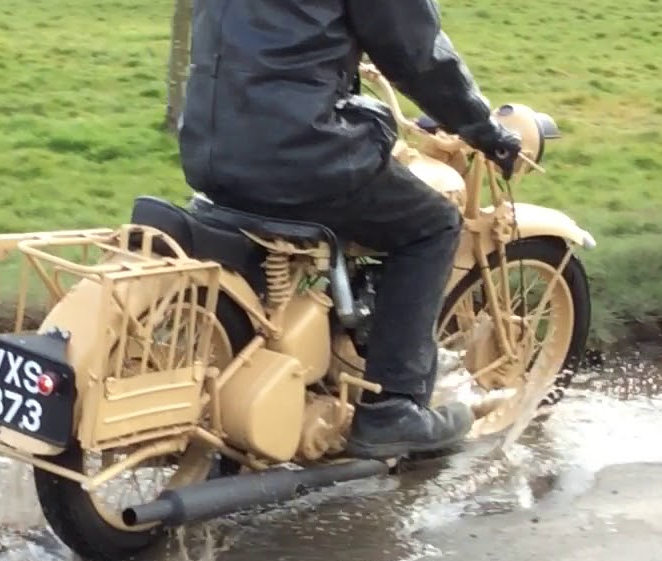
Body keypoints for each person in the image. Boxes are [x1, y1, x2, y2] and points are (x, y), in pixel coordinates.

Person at [177, 0, 523, 459]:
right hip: (299, 153)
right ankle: (393, 409)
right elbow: (416, 54)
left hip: (211, 149)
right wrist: (485, 131)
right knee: (432, 225)